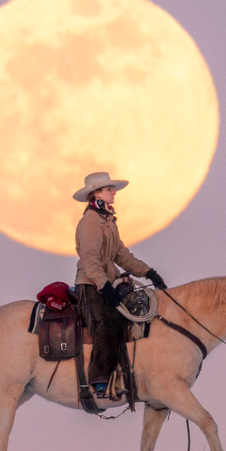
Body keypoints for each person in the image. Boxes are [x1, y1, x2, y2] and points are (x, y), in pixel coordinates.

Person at [71, 172, 167, 410]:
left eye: (112, 189)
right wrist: (104, 286)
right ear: (97, 194)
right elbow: (90, 259)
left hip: (106, 281)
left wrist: (149, 272)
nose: (114, 192)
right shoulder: (90, 222)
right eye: (109, 189)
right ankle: (99, 380)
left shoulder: (108, 221)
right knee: (110, 321)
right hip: (91, 283)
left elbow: (121, 255)